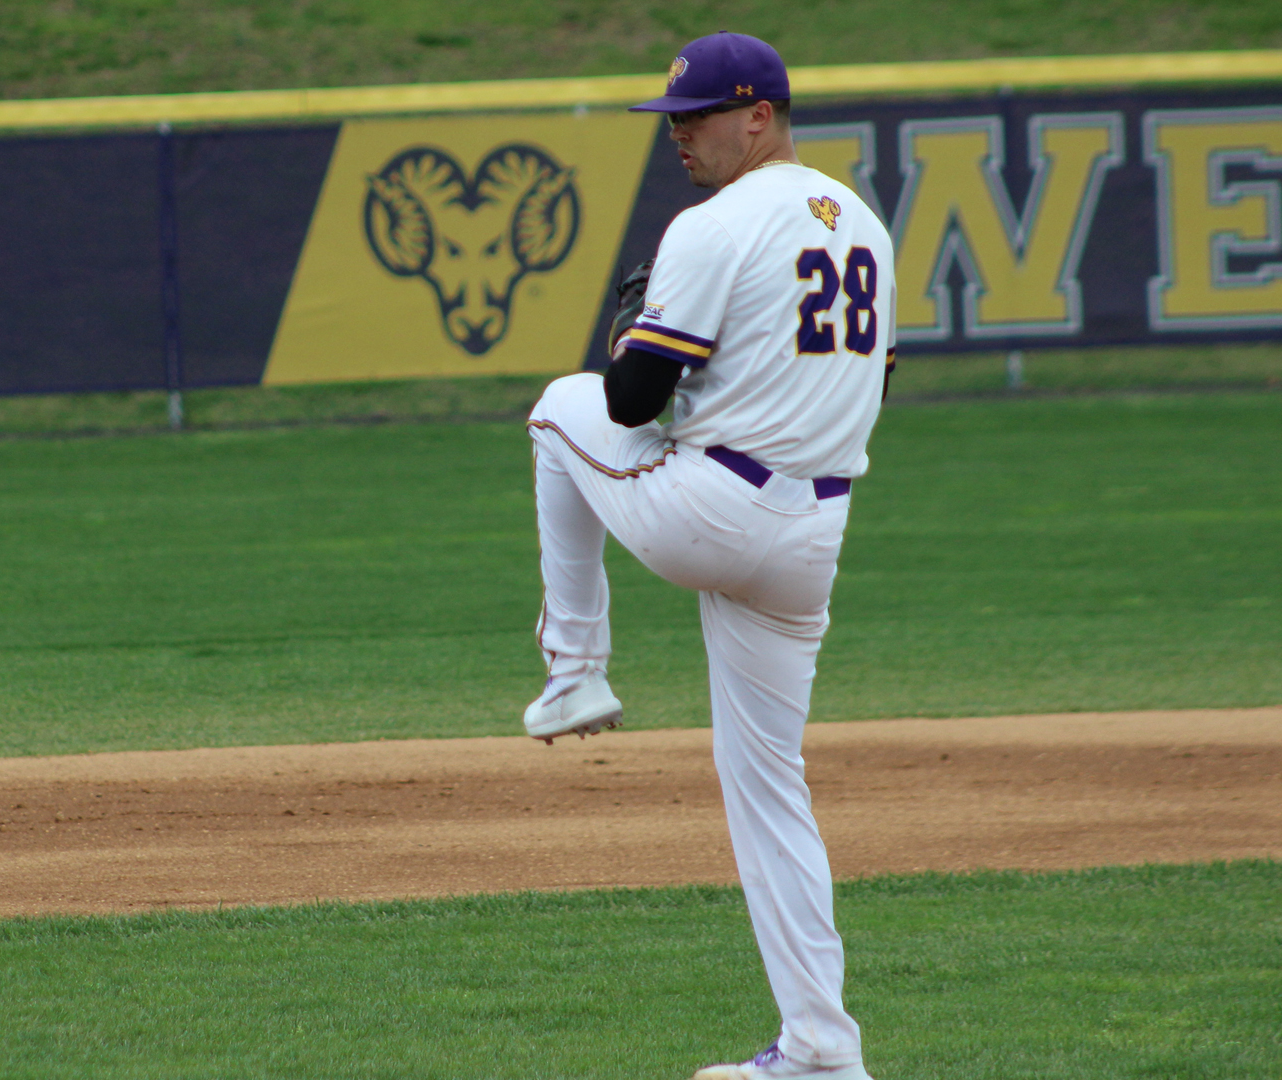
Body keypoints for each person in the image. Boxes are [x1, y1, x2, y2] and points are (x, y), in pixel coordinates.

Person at [519, 31, 896, 1080]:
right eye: (672, 119)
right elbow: (874, 381)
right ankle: (823, 1050)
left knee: (559, 412)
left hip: (714, 510)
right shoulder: (863, 225)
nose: (679, 134)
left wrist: (633, 350)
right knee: (771, 788)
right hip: (812, 538)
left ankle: (574, 673)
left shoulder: (712, 224)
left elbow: (633, 400)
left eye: (698, 116)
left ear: (760, 116)